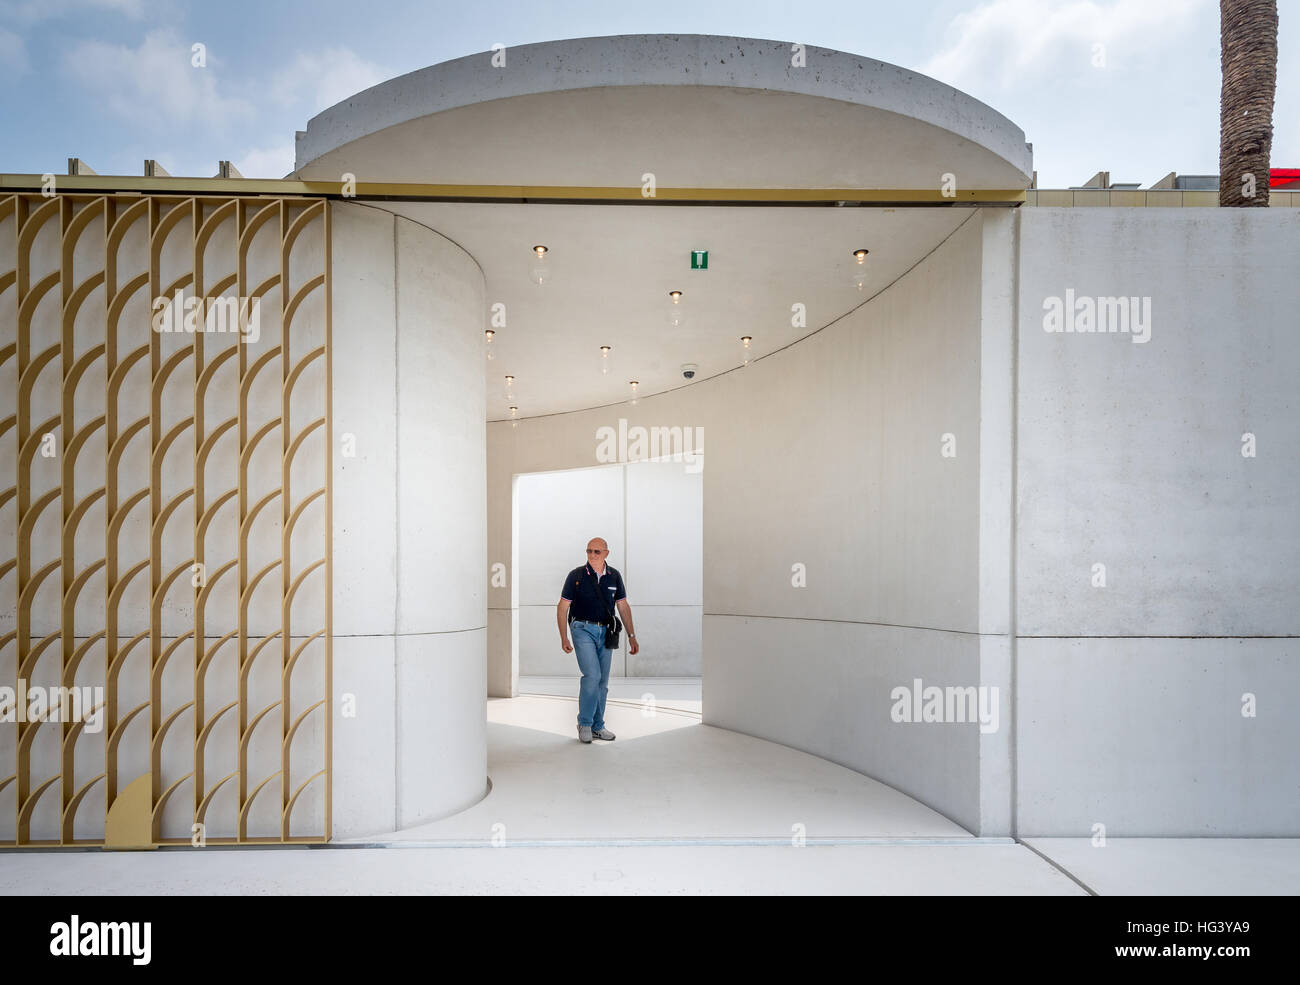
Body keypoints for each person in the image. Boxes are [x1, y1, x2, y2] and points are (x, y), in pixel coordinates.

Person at [557, 537, 639, 743]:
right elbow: (562, 607)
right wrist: (563, 636)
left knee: (602, 681)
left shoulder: (614, 577)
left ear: (606, 554)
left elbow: (623, 606)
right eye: (589, 551)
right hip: (582, 629)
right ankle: (584, 723)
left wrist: (632, 636)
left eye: (596, 552)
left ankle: (597, 726)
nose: (592, 555)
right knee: (592, 676)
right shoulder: (576, 576)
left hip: (606, 632)